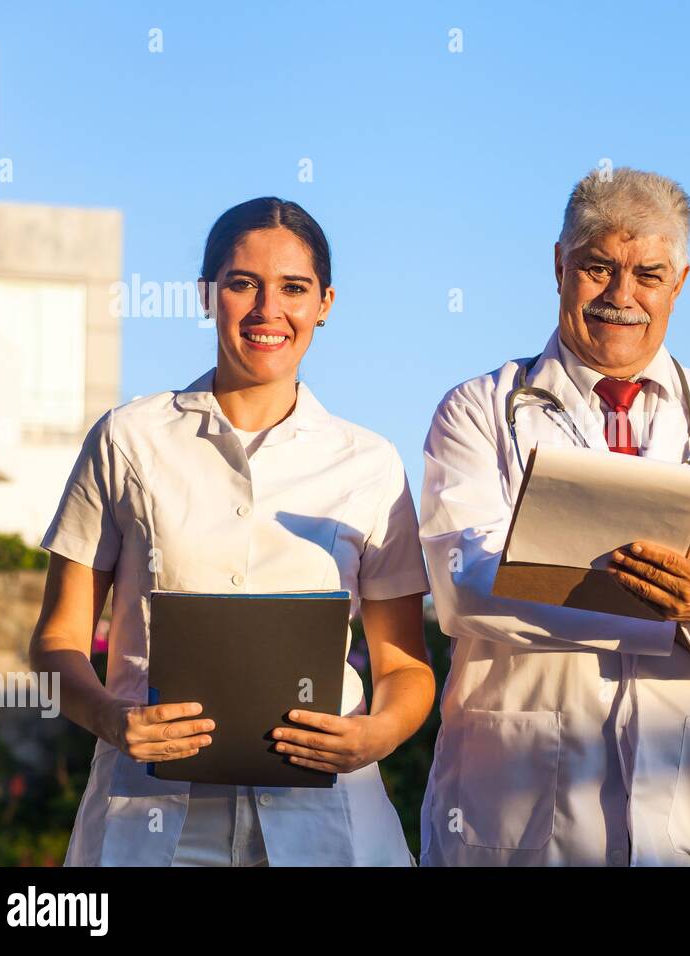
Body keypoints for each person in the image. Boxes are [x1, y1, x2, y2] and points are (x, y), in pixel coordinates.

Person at [418, 167, 690, 866]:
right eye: (597, 267)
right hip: (516, 823)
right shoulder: (478, 411)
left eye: (649, 274)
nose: (622, 295)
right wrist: (668, 610)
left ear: (681, 282)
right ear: (557, 264)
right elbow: (466, 588)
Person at [29, 197, 434, 866]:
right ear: (206, 295)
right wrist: (110, 718)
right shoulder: (128, 438)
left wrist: (377, 735)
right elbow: (57, 640)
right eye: (243, 284)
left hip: (327, 823)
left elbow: (405, 666)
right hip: (151, 820)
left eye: (294, 288)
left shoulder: (370, 463)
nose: (267, 309)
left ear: (325, 302)